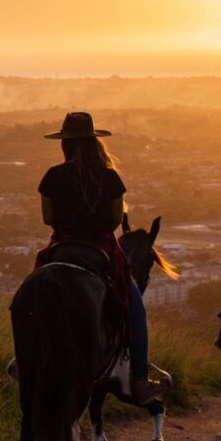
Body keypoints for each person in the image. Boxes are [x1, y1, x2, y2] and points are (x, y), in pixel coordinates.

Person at [35, 111, 169, 405]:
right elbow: (112, 220)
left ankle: (26, 360)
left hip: (62, 247)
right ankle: (139, 379)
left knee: (33, 294)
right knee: (136, 313)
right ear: (94, 141)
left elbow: (48, 218)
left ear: (65, 144)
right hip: (102, 249)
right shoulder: (110, 177)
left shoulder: (53, 176)